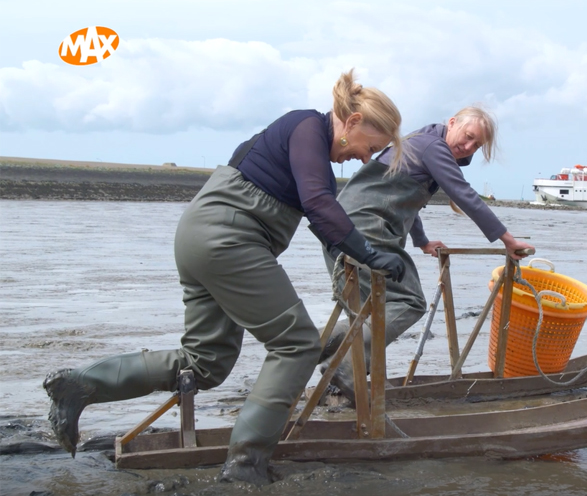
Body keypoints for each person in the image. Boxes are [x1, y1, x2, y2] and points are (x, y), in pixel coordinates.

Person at [42, 70, 407, 485]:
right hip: (229, 239)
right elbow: (319, 205)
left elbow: (324, 221)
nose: (363, 158)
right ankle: (245, 467)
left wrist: (355, 258)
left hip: (202, 236)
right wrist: (370, 254)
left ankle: (80, 385)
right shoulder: (306, 126)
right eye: (370, 148)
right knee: (297, 344)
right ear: (354, 122)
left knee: (205, 363)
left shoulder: (308, 149)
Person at [316, 105, 534, 403]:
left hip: (341, 229)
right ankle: (341, 369)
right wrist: (507, 240)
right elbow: (464, 195)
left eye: (476, 145)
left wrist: (422, 242)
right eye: (468, 136)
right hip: (366, 230)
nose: (468, 147)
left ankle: (302, 354)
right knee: (409, 302)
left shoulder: (422, 141)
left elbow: (401, 198)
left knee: (367, 312)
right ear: (453, 122)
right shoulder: (434, 146)